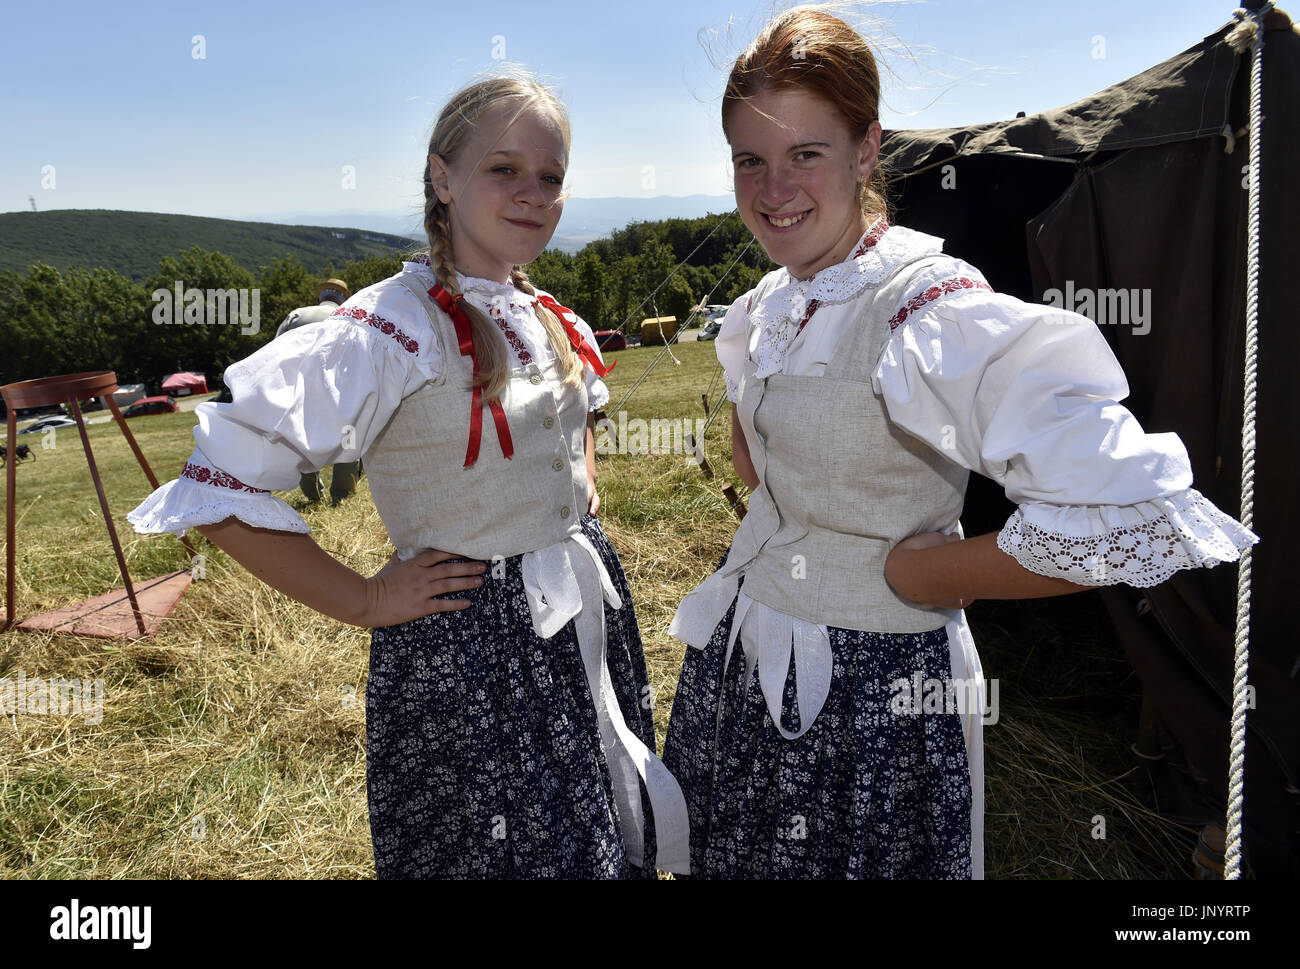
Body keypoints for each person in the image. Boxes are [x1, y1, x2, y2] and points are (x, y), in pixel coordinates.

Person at [662, 7, 1258, 880]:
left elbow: (1134, 509)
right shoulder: (765, 308)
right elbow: (765, 472)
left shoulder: (926, 308)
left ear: (867, 150)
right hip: (749, 666)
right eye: (749, 159)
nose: (771, 187)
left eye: (805, 153)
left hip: (876, 699)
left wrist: (929, 574)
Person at [127, 74, 689, 879]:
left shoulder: (541, 311)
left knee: (587, 828)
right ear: (442, 177)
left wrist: (574, 500)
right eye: (504, 169)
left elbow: (576, 417)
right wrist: (367, 598)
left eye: (552, 177)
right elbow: (217, 481)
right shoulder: (389, 326)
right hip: (473, 651)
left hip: (573, 625)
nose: (533, 193)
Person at [275, 278, 361, 505]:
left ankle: (313, 495)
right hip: (342, 393)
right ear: (344, 297)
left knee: (304, 442)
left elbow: (275, 355)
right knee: (348, 441)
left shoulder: (296, 316)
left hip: (302, 392)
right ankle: (343, 496)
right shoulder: (352, 318)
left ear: (320, 297)